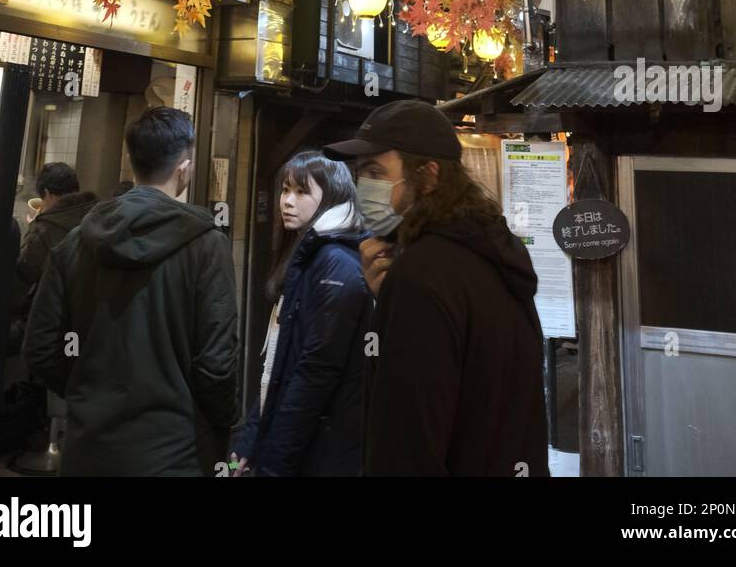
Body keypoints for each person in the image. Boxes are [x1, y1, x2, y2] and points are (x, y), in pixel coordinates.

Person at [327, 98, 549, 478]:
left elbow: (405, 446)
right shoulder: (492, 251)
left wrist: (399, 299)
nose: (364, 188)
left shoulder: (421, 276)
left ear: (428, 176)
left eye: (376, 172)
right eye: (360, 174)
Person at [24, 107, 238, 477]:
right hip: (175, 452)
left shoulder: (76, 242)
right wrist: (222, 428)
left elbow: (41, 348)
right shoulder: (207, 246)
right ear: (184, 168)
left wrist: (83, 391)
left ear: (129, 160)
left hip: (87, 451)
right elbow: (216, 363)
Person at [230, 151, 372, 477]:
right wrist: (252, 439)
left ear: (332, 196)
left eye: (301, 191)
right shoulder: (309, 253)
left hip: (324, 448)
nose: (288, 202)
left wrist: (271, 464)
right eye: (285, 190)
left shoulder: (335, 262)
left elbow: (314, 373)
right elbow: (279, 368)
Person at [17, 163, 97, 291]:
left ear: (47, 193)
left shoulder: (45, 229)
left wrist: (34, 225)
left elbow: (26, 270)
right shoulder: (94, 212)